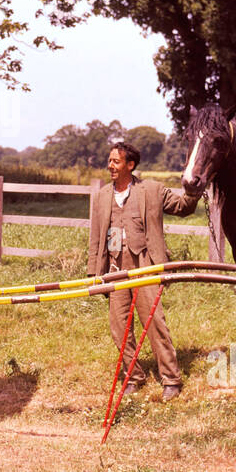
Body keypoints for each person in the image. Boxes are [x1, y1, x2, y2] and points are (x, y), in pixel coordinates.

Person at [87, 141, 196, 402]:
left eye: (116, 161)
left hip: (147, 265)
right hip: (116, 267)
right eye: (110, 161)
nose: (110, 166)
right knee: (119, 327)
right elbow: (96, 238)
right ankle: (133, 377)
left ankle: (171, 380)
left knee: (155, 323)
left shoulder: (152, 190)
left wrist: (194, 189)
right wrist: (94, 273)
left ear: (130, 165)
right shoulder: (102, 196)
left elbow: (184, 207)